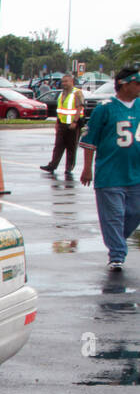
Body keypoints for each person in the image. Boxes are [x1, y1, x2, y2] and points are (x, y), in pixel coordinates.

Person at [80, 64, 140, 272]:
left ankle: (116, 239)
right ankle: (116, 254)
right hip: (110, 174)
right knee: (113, 216)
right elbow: (90, 141)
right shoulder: (104, 108)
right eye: (136, 83)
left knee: (134, 213)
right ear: (123, 85)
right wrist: (87, 168)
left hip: (136, 173)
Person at [40, 72, 86, 178]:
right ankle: (52, 165)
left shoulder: (77, 93)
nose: (64, 83)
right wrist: (57, 123)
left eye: (66, 81)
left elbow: (79, 108)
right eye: (63, 82)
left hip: (73, 125)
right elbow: (60, 110)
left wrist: (75, 122)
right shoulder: (62, 94)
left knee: (71, 147)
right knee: (58, 146)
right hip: (62, 124)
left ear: (72, 82)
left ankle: (68, 168)